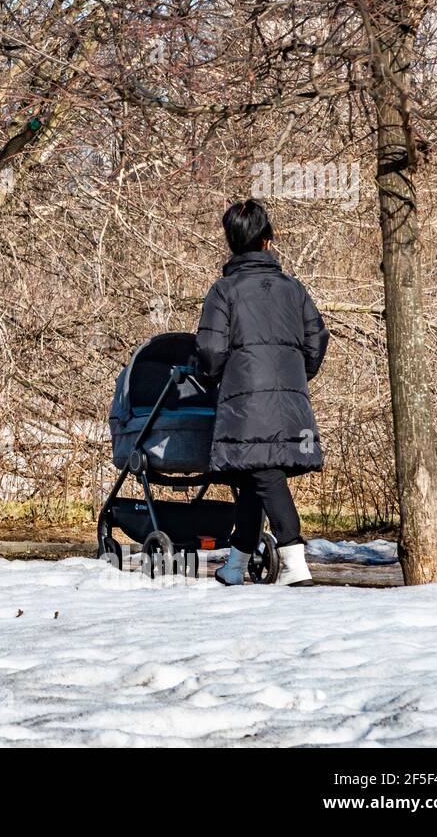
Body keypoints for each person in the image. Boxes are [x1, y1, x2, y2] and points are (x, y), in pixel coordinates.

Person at [195, 200, 330, 586]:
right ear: (268, 242)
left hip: (245, 402)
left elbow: (210, 350)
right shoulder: (294, 290)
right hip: (290, 400)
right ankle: (236, 565)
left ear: (233, 244)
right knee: (253, 479)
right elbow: (317, 339)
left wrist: (211, 377)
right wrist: (295, 377)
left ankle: (294, 563)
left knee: (265, 474)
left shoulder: (224, 291)